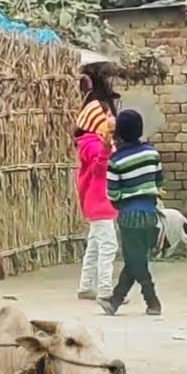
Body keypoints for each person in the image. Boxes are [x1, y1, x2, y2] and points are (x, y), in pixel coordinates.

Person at [99, 109, 164, 316]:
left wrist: (121, 205)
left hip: (129, 216)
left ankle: (151, 300)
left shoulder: (116, 160)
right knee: (136, 259)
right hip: (150, 213)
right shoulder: (152, 153)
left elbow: (113, 193)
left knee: (135, 261)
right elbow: (159, 181)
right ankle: (116, 301)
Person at [74, 100, 119, 301]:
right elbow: (99, 170)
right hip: (100, 202)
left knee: (94, 245)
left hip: (97, 202)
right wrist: (107, 148)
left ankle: (86, 286)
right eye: (107, 115)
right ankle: (105, 290)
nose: (111, 118)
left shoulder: (92, 142)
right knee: (108, 246)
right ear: (97, 119)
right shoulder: (94, 145)